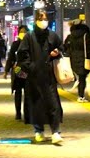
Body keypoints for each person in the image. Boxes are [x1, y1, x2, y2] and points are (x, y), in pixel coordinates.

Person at [18, 10, 64, 145]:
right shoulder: (29, 37)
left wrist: (57, 52)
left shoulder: (52, 35)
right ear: (36, 20)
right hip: (34, 78)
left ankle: (55, 132)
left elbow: (61, 47)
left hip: (49, 77)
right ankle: (38, 131)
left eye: (45, 19)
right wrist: (30, 67)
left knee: (53, 104)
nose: (44, 21)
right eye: (41, 19)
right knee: (36, 105)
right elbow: (22, 55)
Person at [63, 14, 90, 102]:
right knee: (82, 78)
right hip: (84, 59)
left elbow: (65, 47)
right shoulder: (85, 36)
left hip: (73, 59)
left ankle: (80, 94)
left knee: (79, 77)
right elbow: (89, 49)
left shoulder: (70, 36)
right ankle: (81, 96)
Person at [4, 28, 30, 122]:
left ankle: (27, 114)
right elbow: (11, 57)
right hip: (18, 70)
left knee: (28, 93)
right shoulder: (15, 44)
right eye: (21, 32)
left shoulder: (31, 44)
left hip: (28, 70)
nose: (23, 33)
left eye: (25, 32)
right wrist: (6, 70)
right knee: (18, 92)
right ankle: (18, 113)